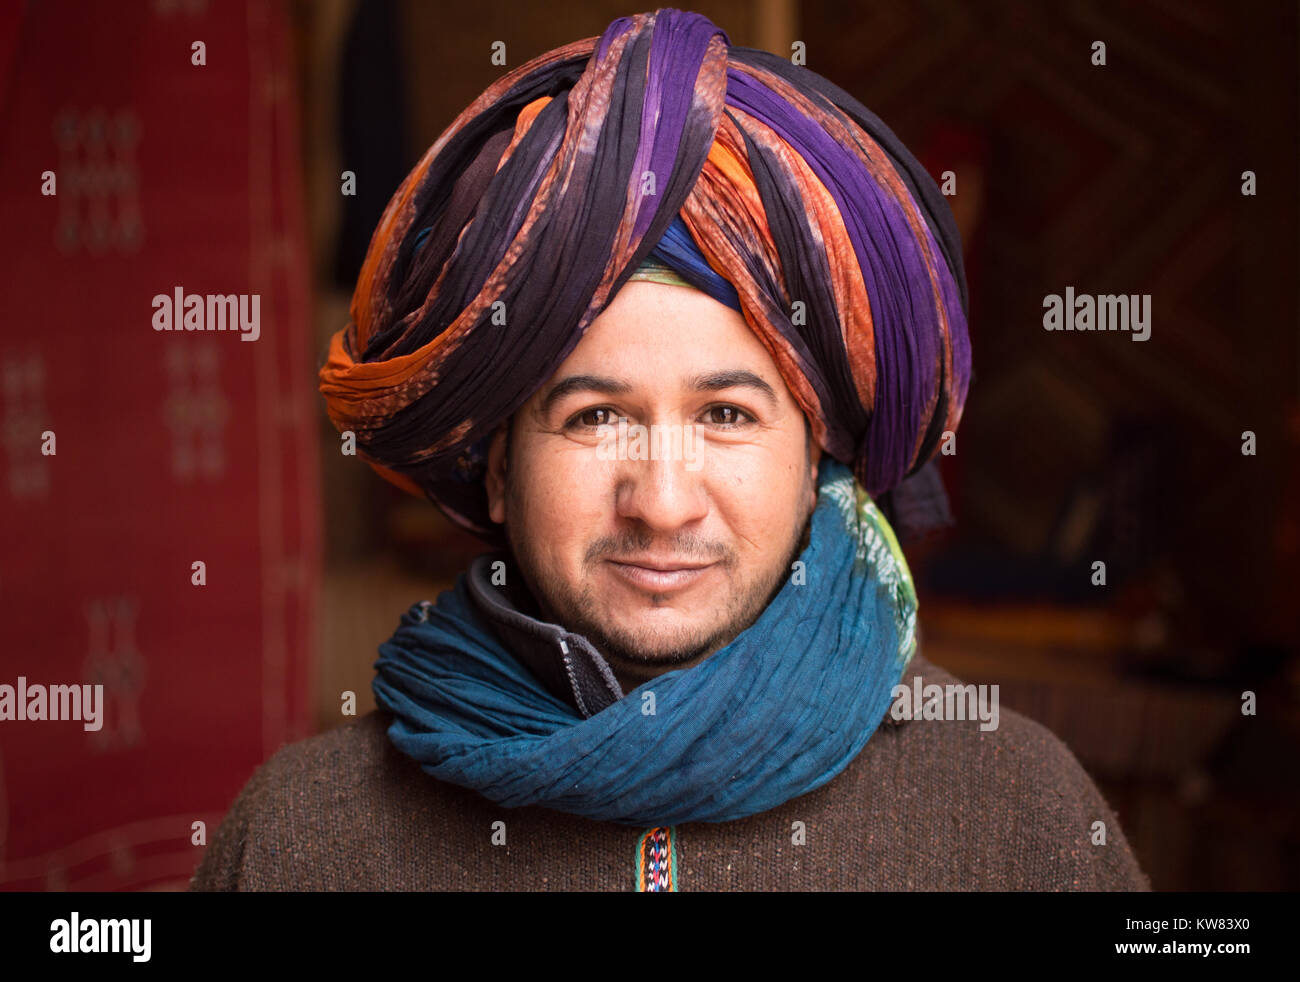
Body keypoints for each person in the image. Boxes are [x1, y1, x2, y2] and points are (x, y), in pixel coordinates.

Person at [192, 7, 1149, 891]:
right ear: (494, 464)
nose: (661, 502)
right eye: (594, 416)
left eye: (727, 416)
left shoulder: (1018, 821)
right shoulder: (304, 839)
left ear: (820, 453)